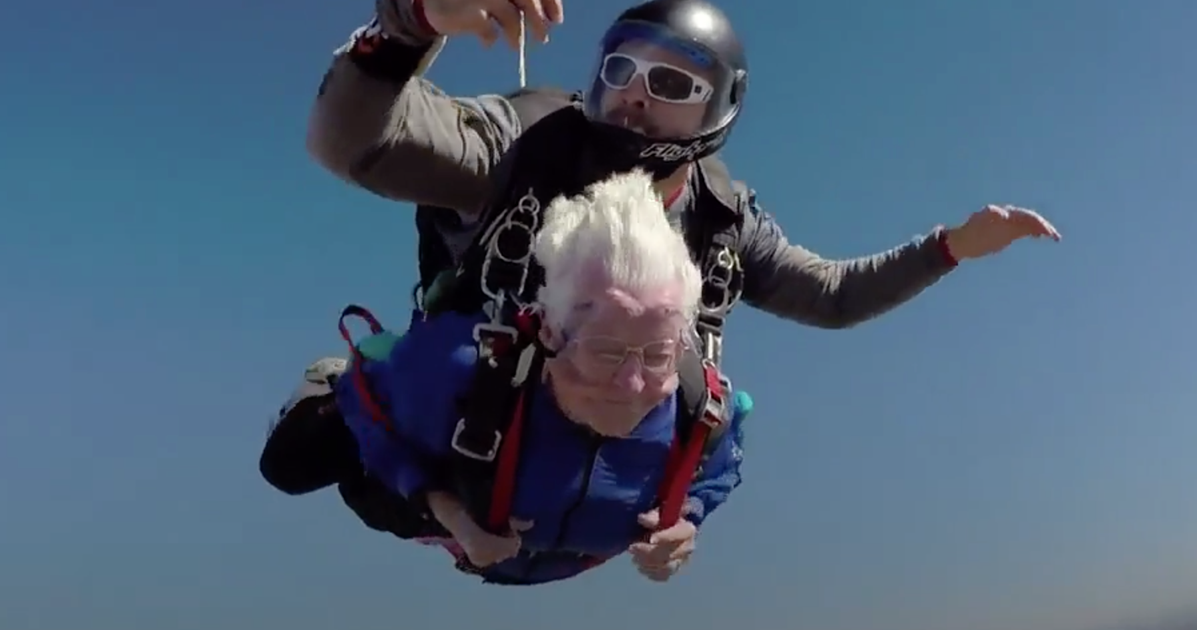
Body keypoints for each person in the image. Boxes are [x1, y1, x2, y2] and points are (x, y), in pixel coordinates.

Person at [262, 0, 1059, 528]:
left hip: (571, 469)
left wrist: (948, 248)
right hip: (458, 415)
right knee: (305, 465)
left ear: (719, 108)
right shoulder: (523, 146)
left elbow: (832, 296)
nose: (635, 95)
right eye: (620, 70)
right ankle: (344, 379)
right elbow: (352, 141)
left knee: (664, 448)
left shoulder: (721, 217)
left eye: (670, 81)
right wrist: (410, 20)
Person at [329, 170, 749, 584]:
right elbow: (361, 402)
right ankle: (359, 360)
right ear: (548, 331)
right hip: (450, 501)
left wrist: (689, 517)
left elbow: (723, 464)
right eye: (605, 352)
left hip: (561, 559)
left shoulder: (699, 409)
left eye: (657, 355)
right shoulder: (462, 370)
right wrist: (446, 511)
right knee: (299, 462)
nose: (632, 384)